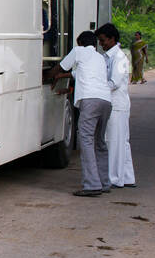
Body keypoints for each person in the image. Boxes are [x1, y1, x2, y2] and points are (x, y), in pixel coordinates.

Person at [52, 30, 112, 196]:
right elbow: (78, 74)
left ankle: (92, 185)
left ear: (80, 43)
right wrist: (66, 82)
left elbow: (61, 66)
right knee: (99, 142)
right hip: (106, 101)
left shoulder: (79, 51)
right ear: (94, 44)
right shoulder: (99, 58)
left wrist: (49, 76)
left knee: (85, 140)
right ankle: (104, 182)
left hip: (90, 101)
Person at [96, 23, 135, 188]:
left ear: (112, 39)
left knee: (114, 141)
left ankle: (113, 178)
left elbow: (115, 82)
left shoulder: (118, 57)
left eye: (103, 40)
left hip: (117, 105)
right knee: (121, 142)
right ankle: (126, 177)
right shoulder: (108, 56)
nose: (101, 44)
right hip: (115, 104)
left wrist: (96, 88)